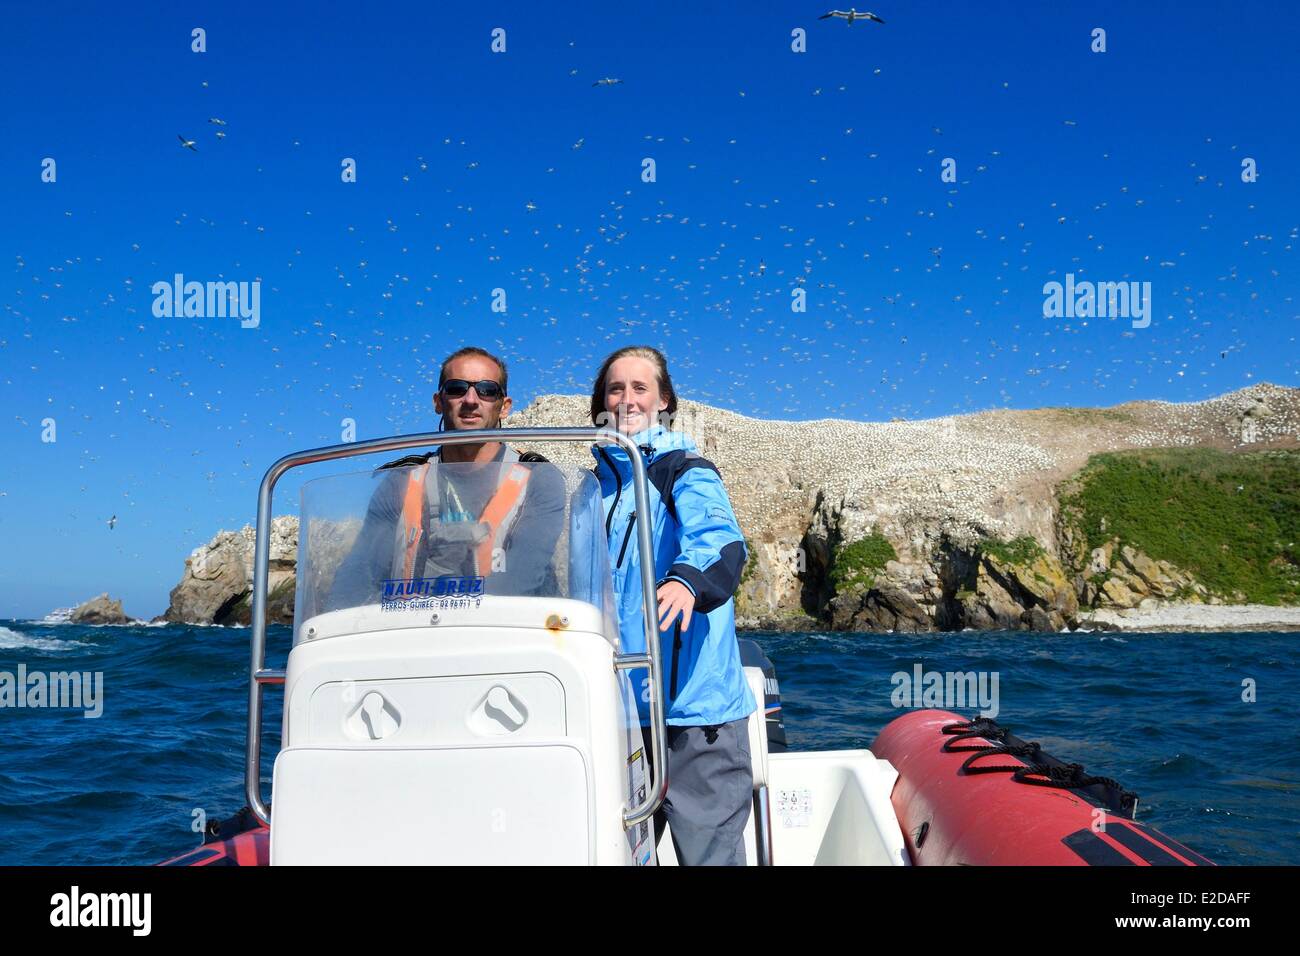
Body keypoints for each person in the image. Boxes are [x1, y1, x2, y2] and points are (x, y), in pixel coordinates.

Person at [589, 345, 756, 865]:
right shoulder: (588, 491)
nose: (628, 399)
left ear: (664, 401)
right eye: (616, 389)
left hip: (694, 715)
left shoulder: (685, 468)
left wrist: (686, 580)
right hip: (617, 715)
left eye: (641, 388)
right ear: (601, 404)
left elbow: (720, 541)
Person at [329, 347, 565, 609]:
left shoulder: (541, 480)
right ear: (438, 402)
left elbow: (524, 575)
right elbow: (357, 576)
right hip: (409, 634)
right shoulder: (399, 481)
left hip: (506, 634)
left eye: (487, 390)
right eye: (456, 388)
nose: (471, 399)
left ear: (504, 406)